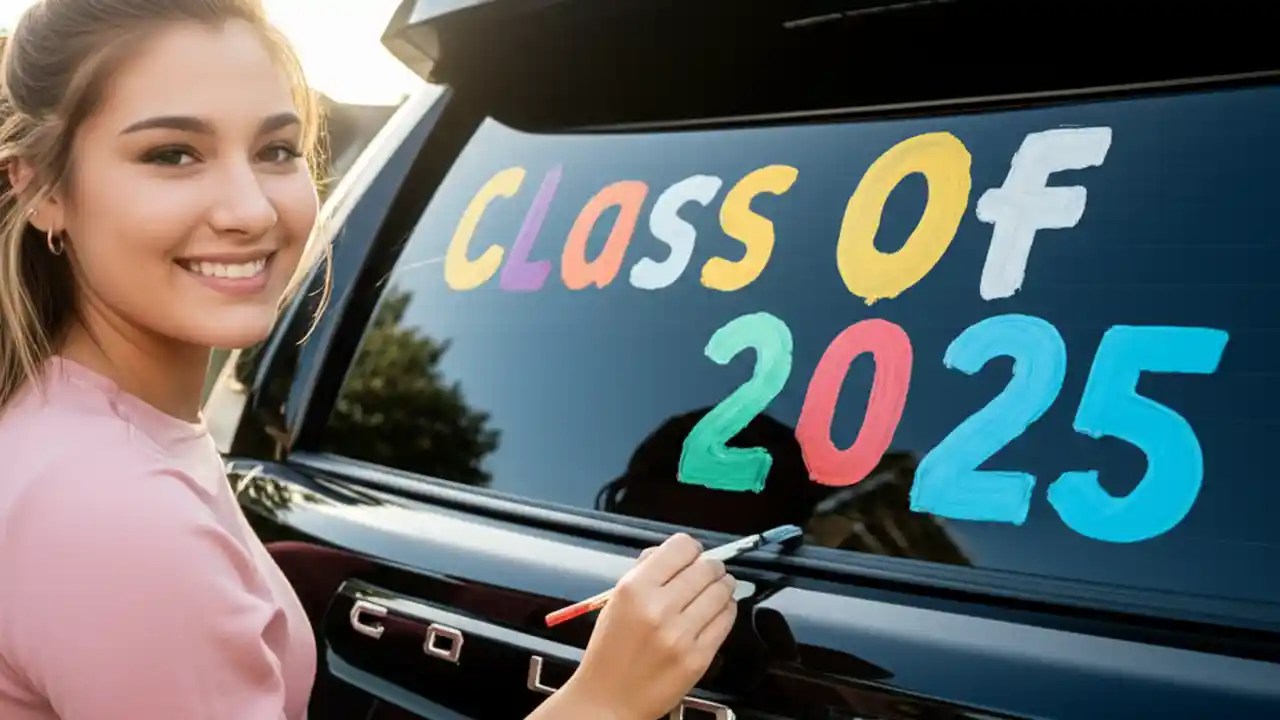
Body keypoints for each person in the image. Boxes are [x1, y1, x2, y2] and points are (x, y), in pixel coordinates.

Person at [0, 2, 738, 719]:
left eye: (275, 151)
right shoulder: (119, 516)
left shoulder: (65, 427)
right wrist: (604, 702)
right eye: (172, 154)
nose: (251, 209)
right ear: (39, 188)